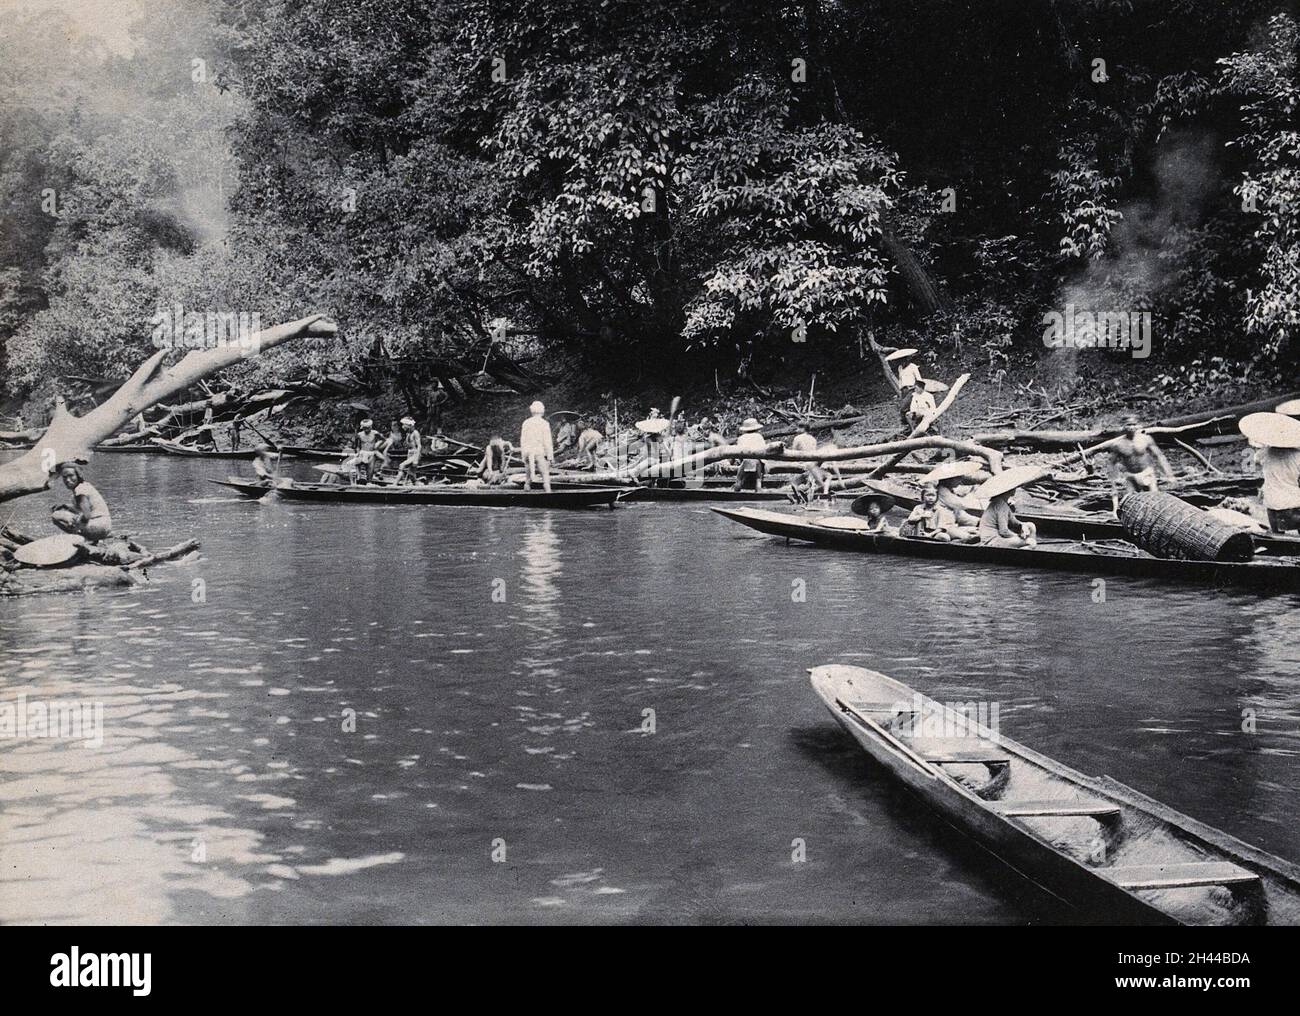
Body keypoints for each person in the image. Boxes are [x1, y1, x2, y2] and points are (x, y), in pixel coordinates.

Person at [1239, 412, 1300, 534]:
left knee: (1277, 535)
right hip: (1294, 501)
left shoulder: (1265, 453)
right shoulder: (1297, 455)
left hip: (1273, 502)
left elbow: (1253, 460)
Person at [1108, 414, 1175, 512]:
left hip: (1146, 473)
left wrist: (1169, 474)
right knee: (1131, 504)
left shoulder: (1145, 439)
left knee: (1155, 501)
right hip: (1130, 476)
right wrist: (1112, 483)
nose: (1131, 427)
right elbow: (1111, 463)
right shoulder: (1118, 444)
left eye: (1134, 424)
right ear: (1123, 426)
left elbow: (1159, 456)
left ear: (1138, 425)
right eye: (1128, 425)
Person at [973, 466, 1041, 548]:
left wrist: (1023, 525)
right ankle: (1027, 549)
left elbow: (1014, 522)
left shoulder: (1003, 503)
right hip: (992, 541)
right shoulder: (1000, 504)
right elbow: (1004, 531)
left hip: (998, 538)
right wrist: (1018, 536)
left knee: (1030, 525)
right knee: (1031, 543)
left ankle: (1026, 545)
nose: (1015, 489)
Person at [50, 462, 112, 541]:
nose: (68, 480)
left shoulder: (80, 490)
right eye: (64, 477)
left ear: (78, 475)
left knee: (55, 515)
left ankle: (78, 538)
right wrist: (65, 506)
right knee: (70, 516)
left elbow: (86, 516)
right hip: (105, 525)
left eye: (71, 476)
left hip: (98, 526)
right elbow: (83, 509)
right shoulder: (85, 486)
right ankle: (88, 539)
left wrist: (75, 524)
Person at [900, 483, 973, 541]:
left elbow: (942, 527)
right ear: (923, 497)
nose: (930, 498)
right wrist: (921, 516)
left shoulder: (940, 510)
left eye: (933, 496)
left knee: (944, 537)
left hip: (935, 532)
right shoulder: (918, 508)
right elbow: (910, 519)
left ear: (936, 498)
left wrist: (930, 534)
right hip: (920, 532)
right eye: (928, 495)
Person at [520, 400, 554, 492]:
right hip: (538, 450)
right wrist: (550, 456)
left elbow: (523, 440)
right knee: (545, 473)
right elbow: (547, 441)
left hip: (528, 450)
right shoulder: (544, 423)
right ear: (542, 410)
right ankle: (547, 490)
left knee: (528, 473)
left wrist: (523, 455)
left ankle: (527, 487)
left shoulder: (526, 422)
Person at [732, 418, 767, 492]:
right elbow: (764, 450)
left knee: (738, 479)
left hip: (745, 461)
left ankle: (736, 490)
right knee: (758, 479)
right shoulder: (759, 437)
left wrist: (740, 460)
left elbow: (739, 452)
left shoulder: (741, 438)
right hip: (757, 461)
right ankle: (759, 490)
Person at [395, 416, 422, 484]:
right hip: (410, 453)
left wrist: (416, 457)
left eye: (404, 425)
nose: (403, 426)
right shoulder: (408, 433)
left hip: (415, 453)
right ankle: (416, 485)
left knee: (402, 465)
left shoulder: (415, 433)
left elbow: (419, 445)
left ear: (409, 425)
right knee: (411, 474)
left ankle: (394, 484)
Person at [354, 419, 382, 483]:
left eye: (367, 428)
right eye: (364, 428)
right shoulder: (359, 434)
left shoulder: (375, 433)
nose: (366, 429)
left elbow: (383, 440)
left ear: (371, 427)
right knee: (357, 461)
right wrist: (358, 453)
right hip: (362, 452)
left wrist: (378, 444)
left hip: (371, 452)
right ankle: (359, 477)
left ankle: (369, 481)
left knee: (370, 468)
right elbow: (357, 446)